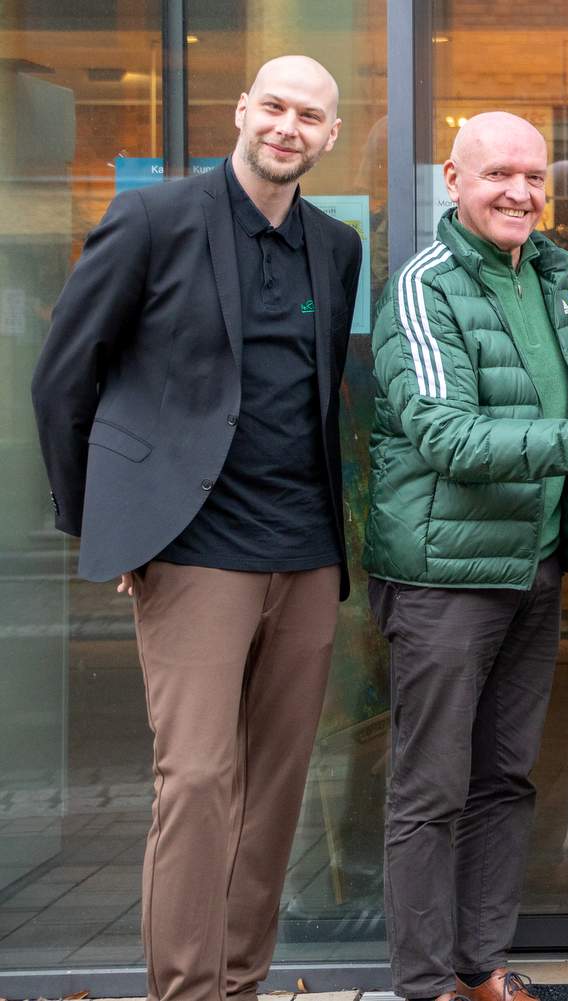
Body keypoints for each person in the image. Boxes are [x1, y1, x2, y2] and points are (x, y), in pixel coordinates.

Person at [30, 56, 360, 1001]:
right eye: (275, 107)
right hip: (193, 549)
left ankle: (240, 984)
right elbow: (63, 378)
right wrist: (102, 523)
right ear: (243, 111)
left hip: (304, 552)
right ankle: (186, 991)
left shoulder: (335, 247)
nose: (289, 126)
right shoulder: (154, 217)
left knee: (273, 800)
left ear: (330, 136)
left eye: (310, 115)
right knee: (200, 781)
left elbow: (317, 397)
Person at [364, 111, 568, 1001]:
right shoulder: (424, 287)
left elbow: (556, 410)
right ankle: (425, 985)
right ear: (453, 180)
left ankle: (483, 962)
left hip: (531, 569)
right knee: (430, 788)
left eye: (535, 177)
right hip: (443, 578)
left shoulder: (549, 279)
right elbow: (450, 437)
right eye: (499, 173)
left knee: (505, 778)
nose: (520, 192)